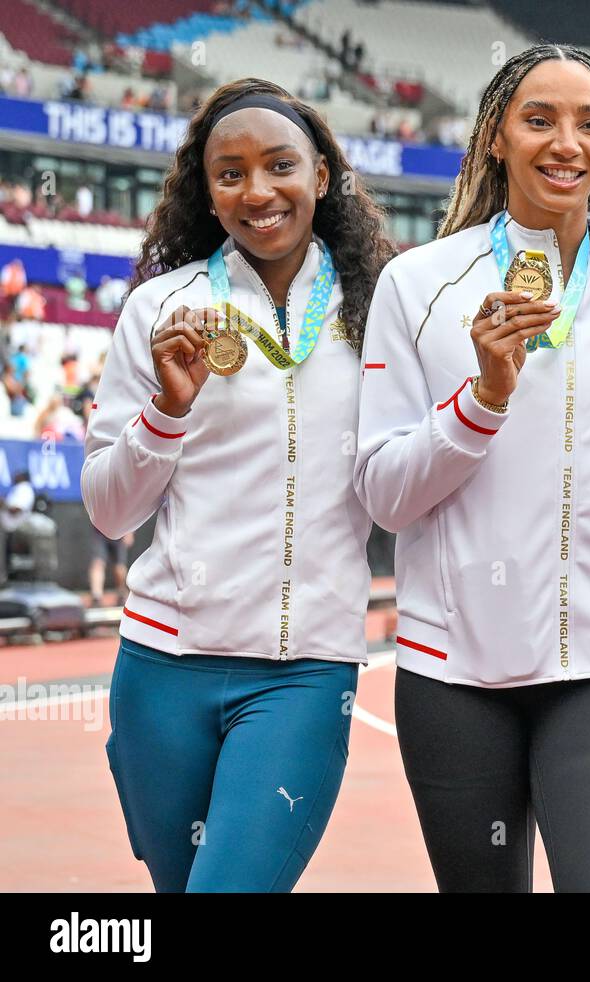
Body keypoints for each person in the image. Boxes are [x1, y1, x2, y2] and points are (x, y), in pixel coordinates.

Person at [354, 43, 590, 893]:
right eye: (538, 120)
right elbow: (385, 494)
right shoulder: (419, 283)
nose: (565, 143)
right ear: (495, 140)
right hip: (453, 672)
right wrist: (482, 402)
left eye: (589, 123)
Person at [82, 77, 396, 892]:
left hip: (303, 672)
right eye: (230, 174)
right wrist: (166, 411)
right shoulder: (161, 309)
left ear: (322, 175)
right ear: (209, 192)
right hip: (163, 667)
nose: (258, 192)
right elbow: (111, 509)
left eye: (280, 166)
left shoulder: (381, 310)